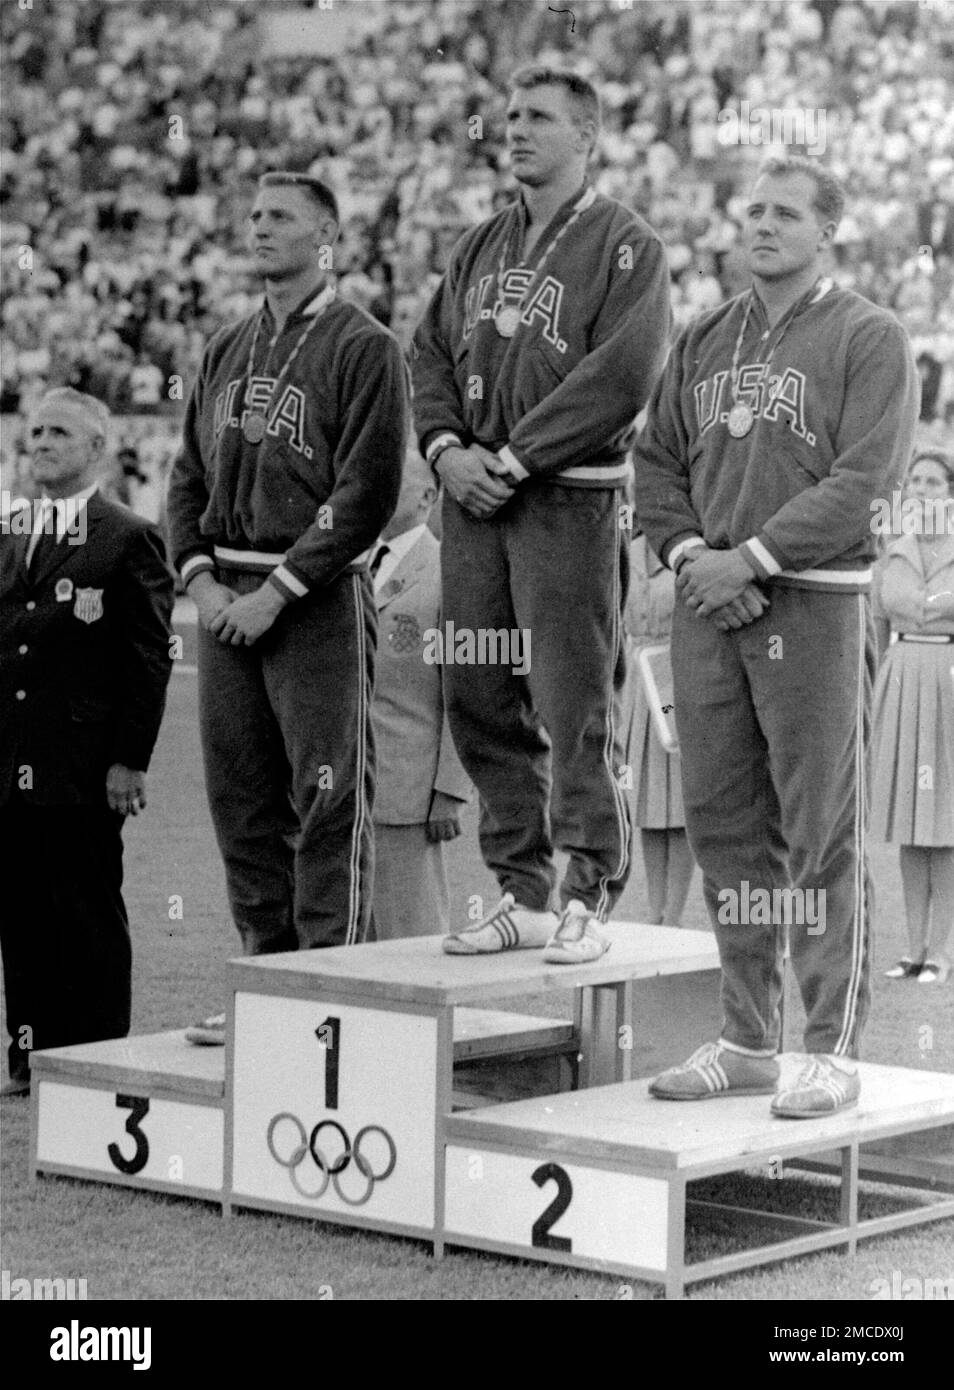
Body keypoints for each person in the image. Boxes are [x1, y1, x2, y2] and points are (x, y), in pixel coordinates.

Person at [632, 155, 920, 1118]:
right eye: (751, 209)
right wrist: (687, 561)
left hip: (815, 601)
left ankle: (830, 1044)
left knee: (819, 831)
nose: (762, 225)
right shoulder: (706, 336)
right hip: (710, 604)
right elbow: (657, 460)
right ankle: (747, 1037)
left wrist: (748, 557)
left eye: (786, 212)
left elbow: (865, 478)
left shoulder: (870, 334)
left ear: (827, 230)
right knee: (724, 827)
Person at [411, 65, 671, 964]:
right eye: (512, 116)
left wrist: (515, 458)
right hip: (476, 499)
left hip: (569, 499)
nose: (515, 130)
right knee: (478, 694)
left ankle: (589, 891)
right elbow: (431, 355)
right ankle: (520, 888)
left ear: (587, 135)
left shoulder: (626, 243)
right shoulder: (479, 244)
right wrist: (447, 452)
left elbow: (624, 373)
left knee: (573, 701)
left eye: (540, 119)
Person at [166, 172, 408, 1046]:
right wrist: (200, 587)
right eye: (254, 213)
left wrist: (276, 593)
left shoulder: (364, 345)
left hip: (313, 601)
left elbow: (368, 490)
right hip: (224, 602)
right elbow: (186, 480)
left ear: (328, 238)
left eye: (282, 217)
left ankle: (335, 995)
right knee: (241, 803)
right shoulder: (226, 345)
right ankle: (264, 990)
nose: (260, 227)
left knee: (327, 798)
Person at [0, 388, 173, 1097]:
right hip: (11, 759)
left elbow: (147, 657)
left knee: (87, 909)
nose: (39, 442)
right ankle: (29, 1057)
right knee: (21, 910)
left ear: (97, 449)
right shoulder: (13, 528)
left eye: (59, 432)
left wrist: (130, 759)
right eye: (35, 431)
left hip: (84, 764)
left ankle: (98, 1060)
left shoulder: (128, 536)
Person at [369, 448, 471, 939]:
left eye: (390, 479)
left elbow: (464, 691)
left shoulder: (449, 570)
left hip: (407, 790)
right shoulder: (351, 563)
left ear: (428, 496)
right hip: (343, 787)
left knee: (411, 935)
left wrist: (450, 791)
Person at [871, 449, 954, 985]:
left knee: (944, 824)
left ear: (949, 494)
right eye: (916, 482)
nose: (923, 490)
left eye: (934, 482)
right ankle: (912, 946)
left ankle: (941, 951)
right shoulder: (889, 551)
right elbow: (878, 628)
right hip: (900, 680)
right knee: (908, 823)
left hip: (949, 679)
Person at [622, 531, 696, 926]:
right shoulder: (623, 551)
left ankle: (676, 913)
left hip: (676, 675)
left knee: (679, 799)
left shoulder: (686, 549)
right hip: (638, 682)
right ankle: (655, 909)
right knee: (649, 798)